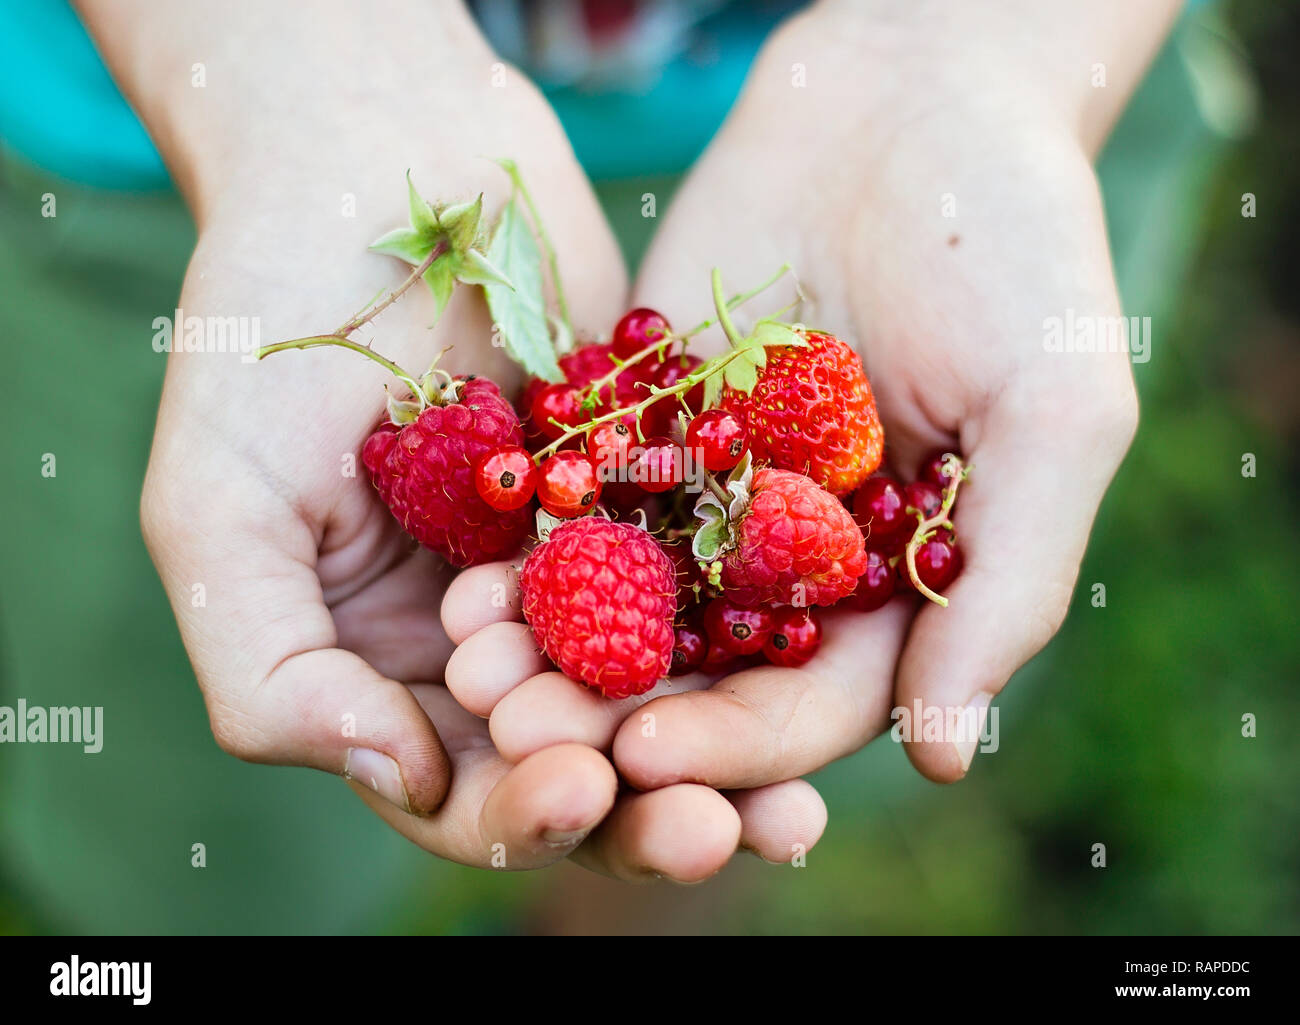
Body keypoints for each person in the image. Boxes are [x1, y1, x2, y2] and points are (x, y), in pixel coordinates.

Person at [64, 0, 1175, 882]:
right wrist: (300, 79)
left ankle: (642, 908)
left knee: (772, 769)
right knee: (270, 810)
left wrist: (986, 58)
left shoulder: (715, 470)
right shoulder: (596, 461)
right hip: (177, 121)